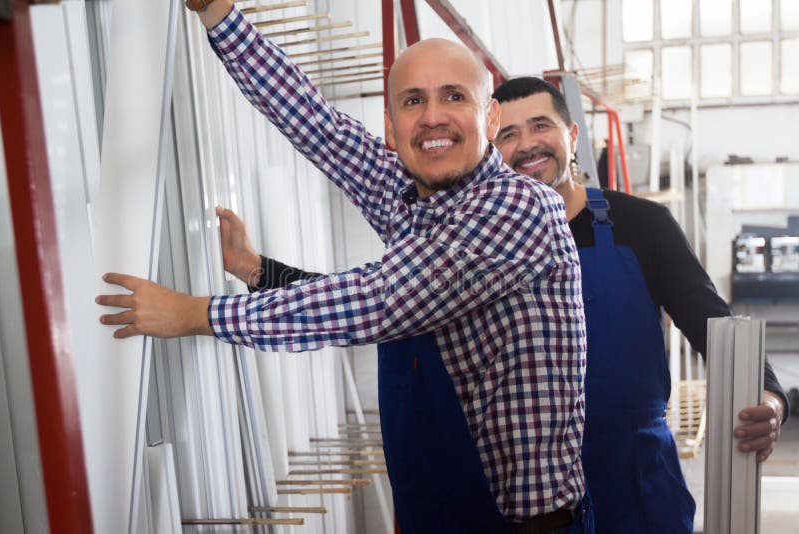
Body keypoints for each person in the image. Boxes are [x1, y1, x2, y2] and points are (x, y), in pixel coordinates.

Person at [97, 2, 591, 532]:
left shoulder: (518, 207)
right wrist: (219, 14)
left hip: (522, 525)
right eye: (413, 101)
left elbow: (380, 301)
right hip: (438, 509)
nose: (432, 117)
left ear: (489, 117)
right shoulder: (411, 194)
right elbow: (318, 127)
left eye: (454, 96)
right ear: (393, 124)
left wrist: (198, 314)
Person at [223, 76, 790, 533]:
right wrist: (258, 271)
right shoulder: (463, 233)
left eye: (541, 126)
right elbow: (381, 303)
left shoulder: (641, 225)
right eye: (509, 135)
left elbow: (710, 318)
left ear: (571, 135)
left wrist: (767, 395)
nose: (526, 146)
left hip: (635, 483)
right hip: (519, 494)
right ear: (491, 142)